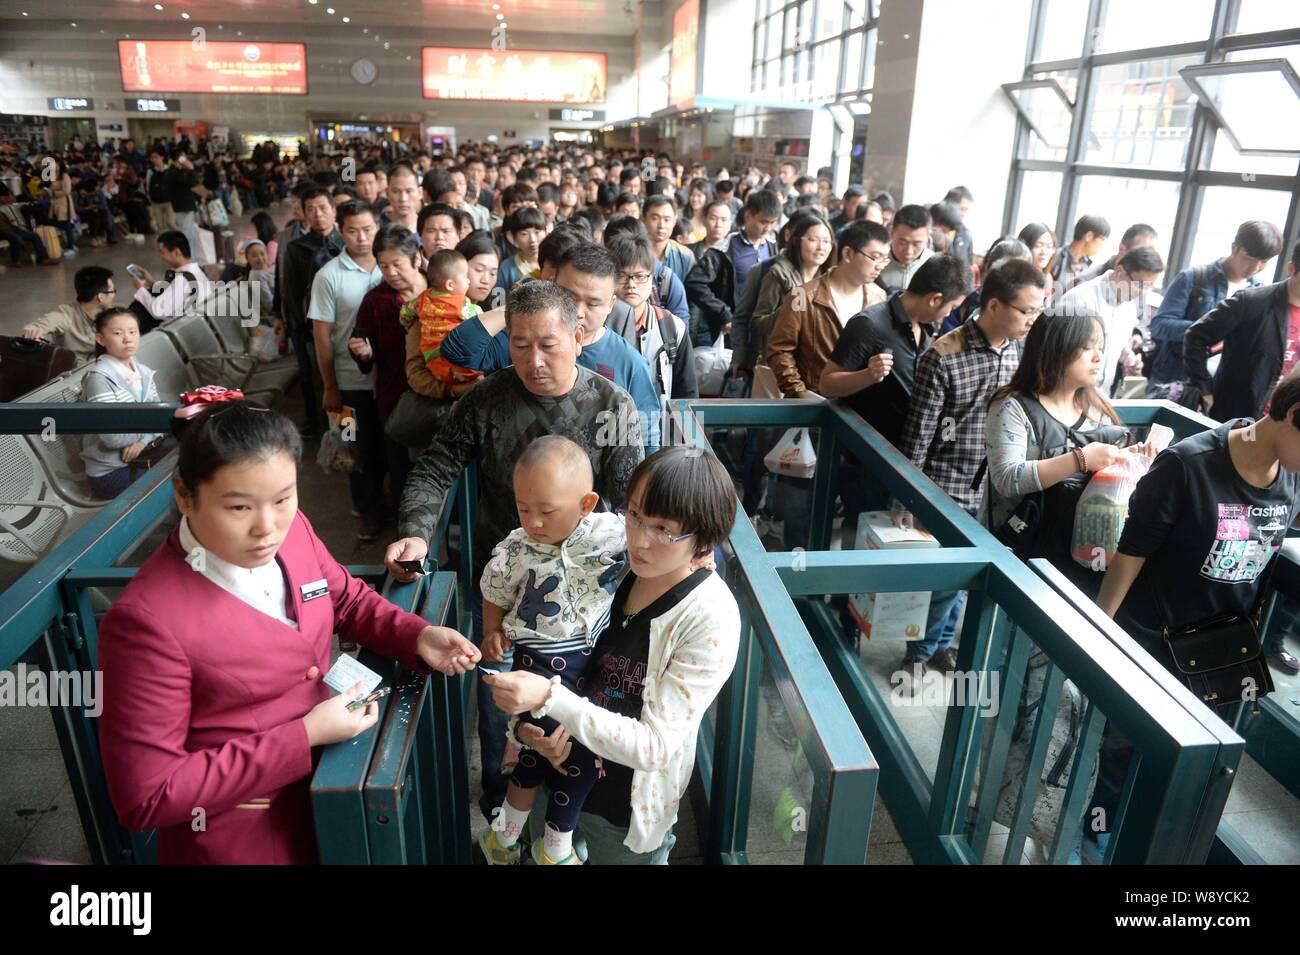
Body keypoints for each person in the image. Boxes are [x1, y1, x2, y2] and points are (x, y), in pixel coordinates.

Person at [98, 402, 481, 864]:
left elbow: (344, 599)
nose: (266, 527)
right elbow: (148, 796)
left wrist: (415, 636)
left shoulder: (292, 530)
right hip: (247, 839)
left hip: (334, 802)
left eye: (283, 498)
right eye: (239, 506)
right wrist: (302, 737)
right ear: (184, 495)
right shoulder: (146, 622)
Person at [384, 280, 644, 824]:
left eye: (547, 344)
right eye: (519, 344)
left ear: (578, 337)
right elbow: (436, 466)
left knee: (580, 705)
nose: (533, 360)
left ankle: (569, 819)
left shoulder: (610, 404)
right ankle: (500, 815)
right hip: (503, 590)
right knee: (498, 706)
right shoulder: (488, 398)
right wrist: (416, 530)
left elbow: (629, 510)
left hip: (586, 602)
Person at [485, 445, 740, 864]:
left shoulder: (710, 617)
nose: (639, 539)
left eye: (663, 529)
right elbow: (552, 658)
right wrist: (527, 730)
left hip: (623, 812)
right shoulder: (607, 560)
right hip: (554, 779)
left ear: (704, 539)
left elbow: (655, 746)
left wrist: (549, 700)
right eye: (635, 514)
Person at [476, 436, 630, 865]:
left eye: (547, 511)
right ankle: (521, 841)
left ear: (586, 503)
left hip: (590, 663)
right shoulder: (515, 549)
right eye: (524, 508)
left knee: (576, 751)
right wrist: (491, 631)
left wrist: (697, 556)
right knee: (538, 748)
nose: (534, 522)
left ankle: (539, 843)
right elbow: (493, 590)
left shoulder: (611, 533)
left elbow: (654, 543)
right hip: (533, 661)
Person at [892, 259, 1046, 672]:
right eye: (1026, 310)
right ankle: (918, 654)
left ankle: (940, 645)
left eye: (1037, 310)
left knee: (968, 579)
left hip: (1000, 488)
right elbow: (919, 435)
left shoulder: (1023, 352)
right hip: (948, 487)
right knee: (948, 580)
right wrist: (907, 498)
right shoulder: (944, 355)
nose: (1033, 319)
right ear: (994, 305)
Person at [1098, 371, 1300, 679]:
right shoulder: (1186, 466)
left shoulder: (1292, 475)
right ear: (1293, 412)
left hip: (1222, 651)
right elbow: (1131, 555)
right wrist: (1096, 635)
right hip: (1154, 647)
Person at [442, 244, 663, 453]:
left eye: (593, 303)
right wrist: (524, 305)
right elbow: (457, 350)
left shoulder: (630, 363)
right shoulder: (522, 339)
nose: (577, 311)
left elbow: (648, 438)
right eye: (568, 297)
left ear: (611, 304)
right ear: (552, 285)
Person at [984, 311, 1135, 573]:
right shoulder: (1012, 406)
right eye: (1086, 348)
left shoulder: (1097, 406)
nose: (1098, 357)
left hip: (1080, 550)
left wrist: (1131, 458)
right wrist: (1081, 459)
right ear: (1055, 349)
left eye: (1100, 347)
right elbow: (1007, 478)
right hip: (1019, 550)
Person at [820, 254, 973, 452]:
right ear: (935, 299)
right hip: (862, 453)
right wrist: (867, 375)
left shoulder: (926, 329)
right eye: (952, 307)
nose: (949, 314)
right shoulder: (869, 325)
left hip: (903, 451)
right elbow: (826, 384)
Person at [307, 199, 385, 540]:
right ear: (341, 232)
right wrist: (329, 386)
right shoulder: (328, 276)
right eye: (352, 231)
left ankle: (388, 508)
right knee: (353, 450)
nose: (361, 237)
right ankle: (367, 514)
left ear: (378, 228)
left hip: (388, 381)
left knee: (385, 448)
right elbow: (321, 336)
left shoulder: (391, 266)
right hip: (347, 382)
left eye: (368, 229)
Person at [1148, 220, 1283, 388]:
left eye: (1264, 261)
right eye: (1249, 259)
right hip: (1176, 379)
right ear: (1234, 247)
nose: (1255, 267)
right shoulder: (1193, 278)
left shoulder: (1258, 292)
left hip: (1221, 387)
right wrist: (1207, 331)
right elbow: (1159, 325)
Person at [349, 225, 427, 513]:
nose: (391, 272)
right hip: (396, 398)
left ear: (417, 260)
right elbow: (359, 341)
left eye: (397, 264)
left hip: (442, 397)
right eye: (384, 266)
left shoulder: (441, 285)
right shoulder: (375, 301)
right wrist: (364, 352)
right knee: (402, 470)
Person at [766, 219, 890, 399]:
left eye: (884, 259)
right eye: (874, 257)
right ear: (847, 253)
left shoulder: (878, 297)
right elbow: (780, 350)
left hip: (858, 405)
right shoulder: (803, 295)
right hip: (815, 401)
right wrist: (799, 393)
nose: (880, 266)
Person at [1185, 240, 1300, 426]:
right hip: (1237, 418)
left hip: (1285, 423)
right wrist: (1205, 390)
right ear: (1291, 269)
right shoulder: (1252, 302)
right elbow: (1195, 337)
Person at [277, 184, 343, 438]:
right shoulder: (296, 247)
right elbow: (290, 291)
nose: (318, 214)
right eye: (311, 209)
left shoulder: (344, 242)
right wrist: (297, 324)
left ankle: (345, 430)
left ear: (333, 211)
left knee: (340, 376)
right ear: (303, 213)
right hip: (306, 324)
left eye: (323, 208)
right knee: (309, 376)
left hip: (341, 321)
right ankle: (315, 423)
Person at [79, 308, 165, 499]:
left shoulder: (142, 372)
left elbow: (161, 418)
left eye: (133, 332)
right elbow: (114, 438)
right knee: (186, 479)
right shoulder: (99, 379)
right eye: (118, 333)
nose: (128, 338)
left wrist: (142, 441)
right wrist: (149, 430)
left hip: (143, 456)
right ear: (100, 339)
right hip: (110, 473)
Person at [1056, 245, 1164, 396]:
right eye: (1140, 285)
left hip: (1103, 394)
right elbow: (1058, 352)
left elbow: (1117, 343)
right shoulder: (1080, 298)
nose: (1143, 292)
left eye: (1149, 286)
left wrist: (1128, 358)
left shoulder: (1129, 306)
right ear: (1120, 271)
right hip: (1069, 392)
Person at [607, 235, 698, 412]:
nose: (631, 284)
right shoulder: (596, 327)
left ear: (652, 278)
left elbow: (687, 392)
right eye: (622, 276)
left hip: (657, 430)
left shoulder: (672, 327)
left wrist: (683, 438)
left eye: (640, 276)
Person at [747, 214, 836, 378]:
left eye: (826, 241)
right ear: (797, 241)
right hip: (779, 368)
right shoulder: (778, 274)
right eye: (813, 240)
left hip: (814, 369)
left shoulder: (832, 280)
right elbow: (757, 323)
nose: (820, 247)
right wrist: (788, 310)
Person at [405, 248, 482, 387]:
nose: (468, 281)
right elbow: (480, 317)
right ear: (450, 285)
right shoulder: (461, 304)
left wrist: (406, 322)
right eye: (465, 276)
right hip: (454, 356)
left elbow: (405, 311)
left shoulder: (422, 299)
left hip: (432, 362)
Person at [23, 266, 118, 363]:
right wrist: (34, 334)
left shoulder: (111, 314)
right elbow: (35, 327)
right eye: (113, 291)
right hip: (74, 373)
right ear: (100, 297)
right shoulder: (66, 315)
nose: (114, 295)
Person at [128, 230, 211, 332]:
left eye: (163, 253)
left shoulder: (182, 280)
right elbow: (174, 292)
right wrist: (151, 282)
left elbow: (157, 310)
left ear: (176, 252)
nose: (162, 257)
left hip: (184, 329)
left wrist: (140, 288)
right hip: (196, 323)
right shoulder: (196, 271)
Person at [1072, 222, 1159, 288]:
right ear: (1122, 249)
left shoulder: (1142, 285)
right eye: (1140, 253)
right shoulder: (1086, 282)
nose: (1147, 260)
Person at [876, 204, 934, 295]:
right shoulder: (875, 261)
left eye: (916, 244)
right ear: (892, 232)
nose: (909, 251)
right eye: (902, 243)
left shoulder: (935, 265)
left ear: (928, 237)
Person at [1050, 214, 1110, 293]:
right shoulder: (1055, 258)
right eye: (1102, 239)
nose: (1102, 245)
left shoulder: (1088, 266)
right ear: (1089, 236)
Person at [643, 195, 696, 287]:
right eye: (655, 218)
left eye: (667, 220)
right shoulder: (631, 252)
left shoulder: (685, 256)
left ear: (674, 221)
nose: (661, 225)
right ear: (644, 218)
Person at [495, 206, 547, 292]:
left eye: (537, 232)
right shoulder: (506, 267)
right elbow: (497, 301)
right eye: (524, 234)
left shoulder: (554, 263)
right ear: (513, 237)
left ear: (546, 232)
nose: (532, 240)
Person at [1018, 222, 1057, 303]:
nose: (1044, 252)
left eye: (1049, 247)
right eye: (1038, 246)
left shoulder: (1047, 277)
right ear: (1025, 247)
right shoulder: (1017, 278)